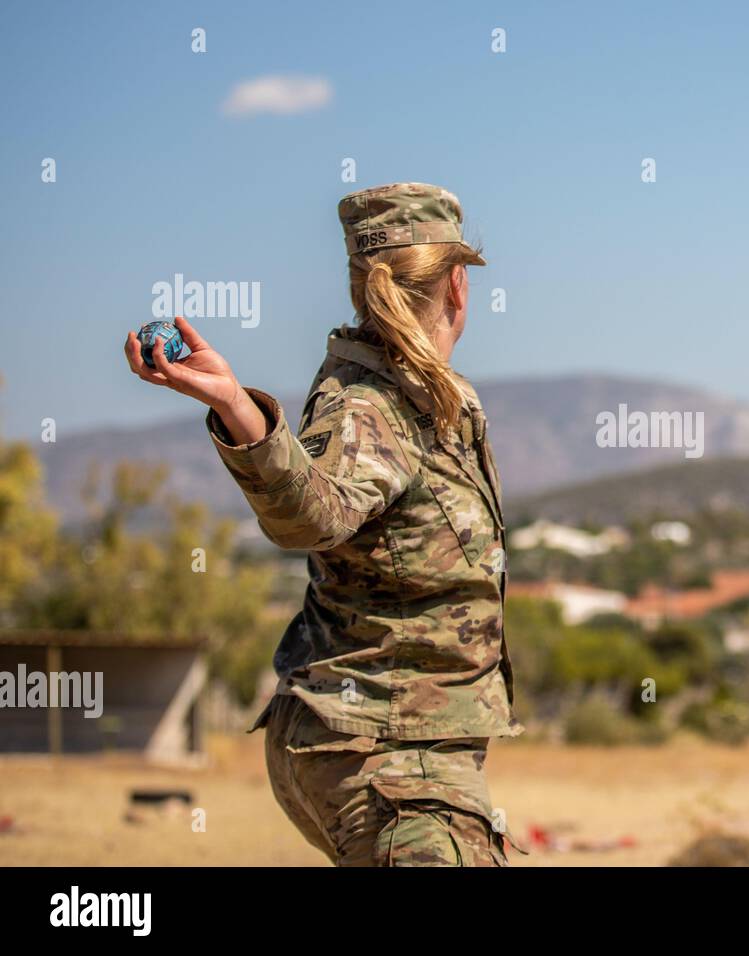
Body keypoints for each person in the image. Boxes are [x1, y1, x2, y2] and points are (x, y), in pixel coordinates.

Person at [123, 182, 523, 866]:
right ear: (457, 286)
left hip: (389, 747)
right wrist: (238, 410)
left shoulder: (420, 396)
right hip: (389, 758)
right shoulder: (375, 405)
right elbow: (315, 516)